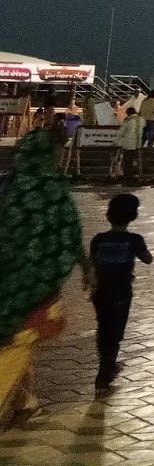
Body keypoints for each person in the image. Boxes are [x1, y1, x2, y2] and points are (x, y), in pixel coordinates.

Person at [0, 127, 82, 428]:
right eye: (58, 152)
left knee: (18, 339)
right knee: (17, 340)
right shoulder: (51, 188)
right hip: (31, 282)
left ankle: (26, 402)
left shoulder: (10, 184)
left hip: (7, 275)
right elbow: (69, 232)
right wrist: (86, 268)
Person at [84, 192, 153, 392]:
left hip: (100, 292)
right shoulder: (134, 240)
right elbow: (148, 259)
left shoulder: (98, 239)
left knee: (104, 327)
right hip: (121, 291)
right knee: (115, 331)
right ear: (133, 216)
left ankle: (106, 366)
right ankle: (104, 374)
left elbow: (92, 262)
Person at [111, 103, 144, 182]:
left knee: (127, 162)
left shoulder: (128, 121)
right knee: (132, 161)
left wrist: (115, 142)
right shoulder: (140, 119)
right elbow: (140, 132)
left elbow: (121, 133)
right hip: (136, 144)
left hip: (127, 144)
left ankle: (127, 177)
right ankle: (131, 177)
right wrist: (139, 144)